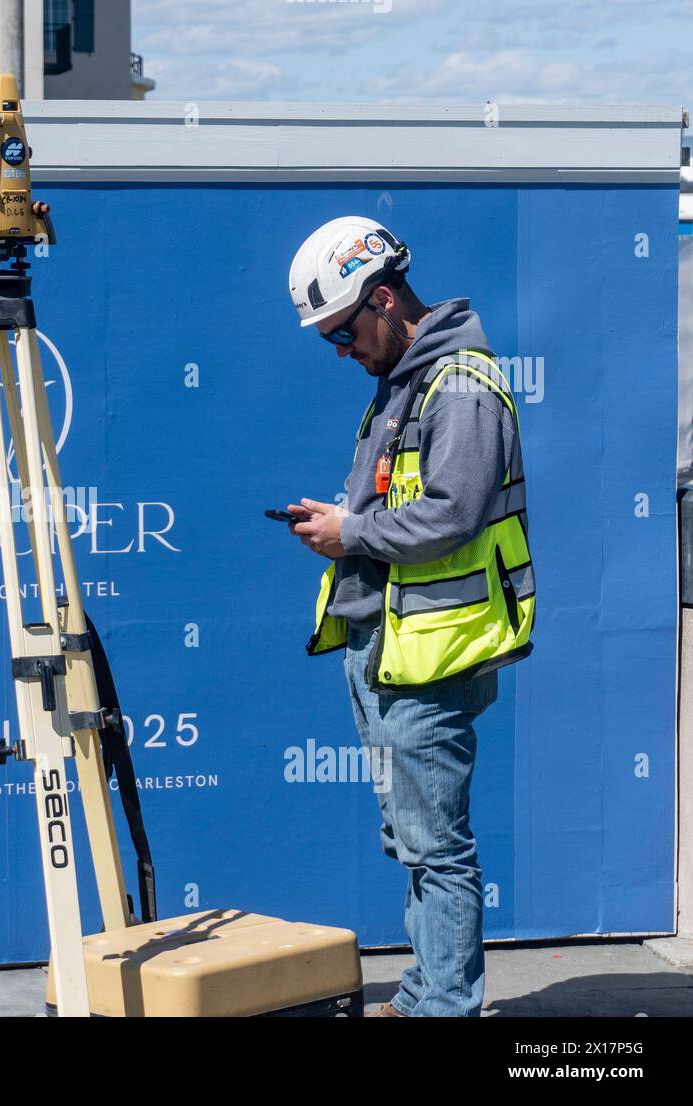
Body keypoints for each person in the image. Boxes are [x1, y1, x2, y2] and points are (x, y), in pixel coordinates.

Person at [283, 216, 536, 1018]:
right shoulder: (406, 381)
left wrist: (349, 532)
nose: (341, 351)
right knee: (414, 842)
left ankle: (446, 1009)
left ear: (385, 300)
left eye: (344, 332)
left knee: (438, 850)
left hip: (428, 658)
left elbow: (452, 515)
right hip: (390, 650)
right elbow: (406, 502)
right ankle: (428, 992)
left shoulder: (459, 385)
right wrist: (344, 517)